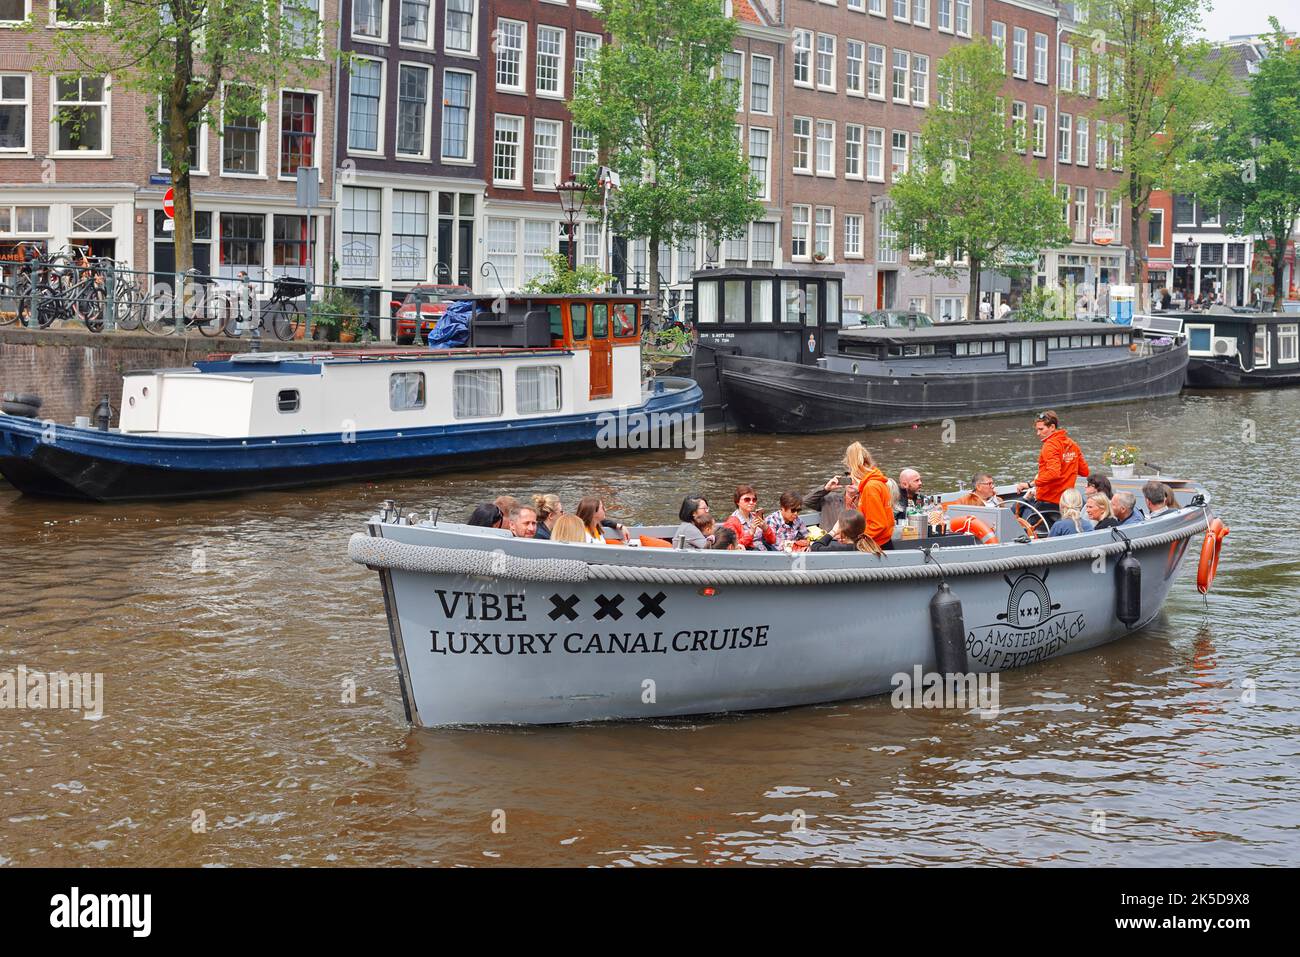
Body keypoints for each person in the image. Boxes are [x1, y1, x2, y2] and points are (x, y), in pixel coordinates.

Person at [1015, 410, 1089, 525]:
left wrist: (1029, 484)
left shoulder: (1049, 445)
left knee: (1021, 522)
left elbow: (1054, 473)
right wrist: (1069, 463)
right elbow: (1084, 472)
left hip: (1048, 501)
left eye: (1041, 429)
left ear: (1052, 427)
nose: (1038, 433)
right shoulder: (1072, 444)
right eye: (1037, 430)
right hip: (1067, 500)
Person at [843, 441, 895, 549]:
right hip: (882, 542)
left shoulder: (870, 488)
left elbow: (878, 525)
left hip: (875, 545)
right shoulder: (877, 483)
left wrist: (855, 539)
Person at [724, 485, 777, 551]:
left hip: (764, 550)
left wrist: (765, 528)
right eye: (747, 500)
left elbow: (772, 541)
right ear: (737, 502)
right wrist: (751, 532)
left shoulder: (756, 516)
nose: (751, 502)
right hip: (749, 555)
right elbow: (734, 547)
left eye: (754, 500)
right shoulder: (731, 522)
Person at [810, 510, 883, 555]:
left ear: (842, 530)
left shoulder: (839, 549)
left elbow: (815, 547)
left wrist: (833, 532)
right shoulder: (870, 546)